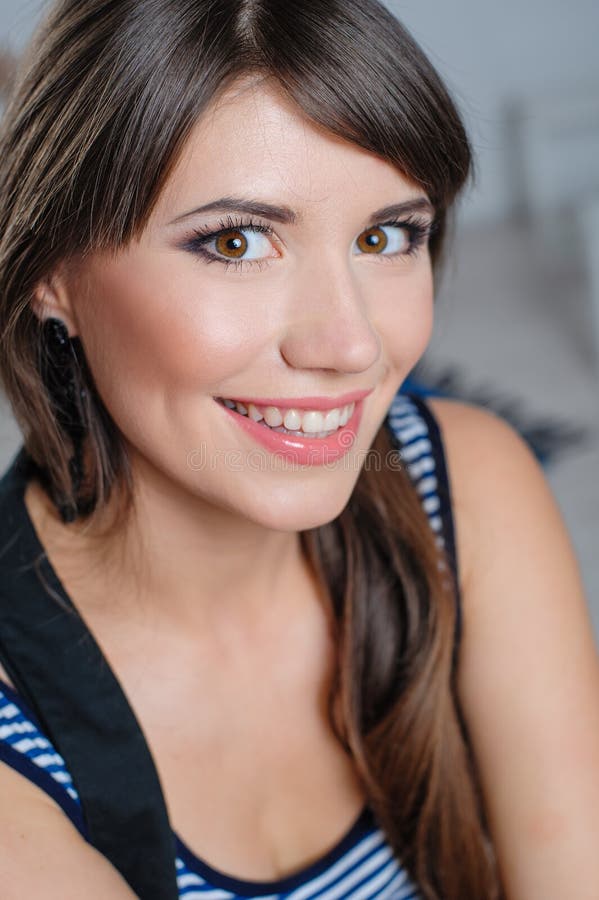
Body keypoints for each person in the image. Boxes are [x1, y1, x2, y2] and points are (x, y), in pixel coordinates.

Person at [0, 1, 598, 898]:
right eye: (236, 242)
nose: (350, 344)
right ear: (54, 275)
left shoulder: (466, 484)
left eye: (384, 236)